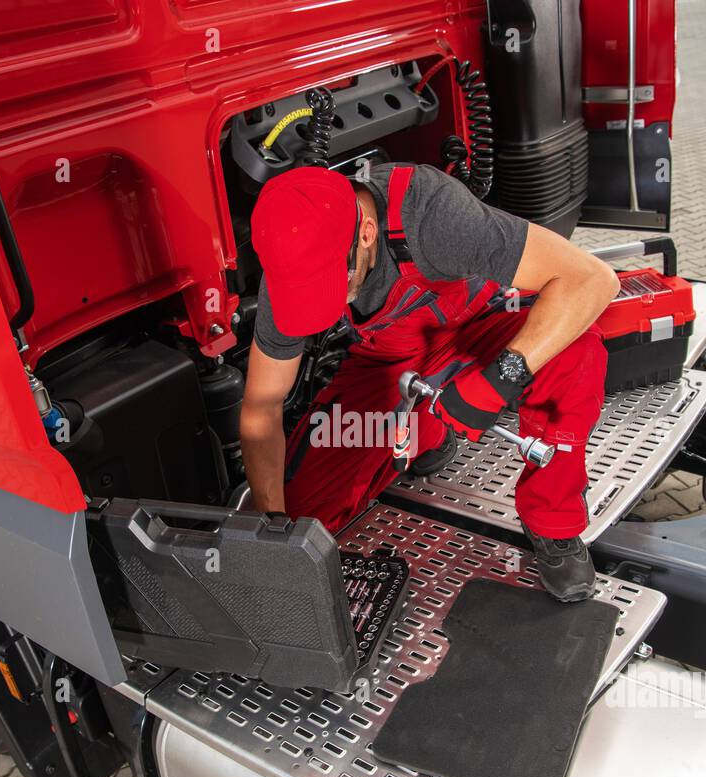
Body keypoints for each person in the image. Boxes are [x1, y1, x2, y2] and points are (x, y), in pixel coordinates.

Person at [239, 162, 619, 601]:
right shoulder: (290, 267)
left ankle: (554, 523)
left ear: (365, 231)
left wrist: (500, 378)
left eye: (334, 282)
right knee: (304, 515)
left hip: (484, 328)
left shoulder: (432, 214)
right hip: (392, 360)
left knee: (577, 352)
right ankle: (425, 431)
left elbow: (592, 280)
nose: (334, 299)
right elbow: (261, 407)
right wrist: (273, 525)